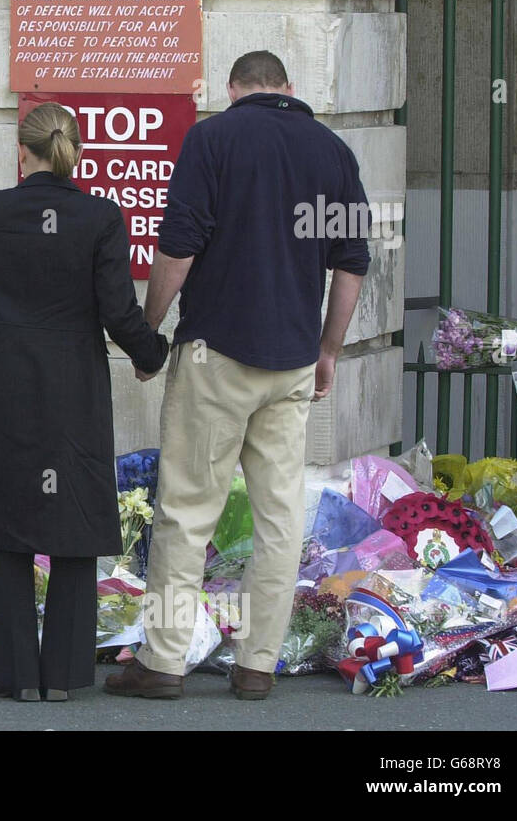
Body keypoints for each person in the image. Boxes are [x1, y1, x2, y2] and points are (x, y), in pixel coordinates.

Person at [104, 50, 369, 701]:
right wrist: (329, 349)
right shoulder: (332, 152)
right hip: (293, 361)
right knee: (280, 519)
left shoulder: (211, 138)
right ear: (289, 88)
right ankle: (258, 664)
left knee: (187, 513)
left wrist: (147, 333)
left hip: (214, 354)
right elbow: (352, 265)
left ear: (233, 90)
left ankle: (163, 662)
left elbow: (178, 247)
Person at [0, 102, 169, 701]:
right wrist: (153, 354)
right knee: (71, 512)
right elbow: (118, 312)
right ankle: (66, 675)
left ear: (20, 152)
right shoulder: (101, 216)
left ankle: (19, 675)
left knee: (9, 515)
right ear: (75, 151)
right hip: (70, 384)